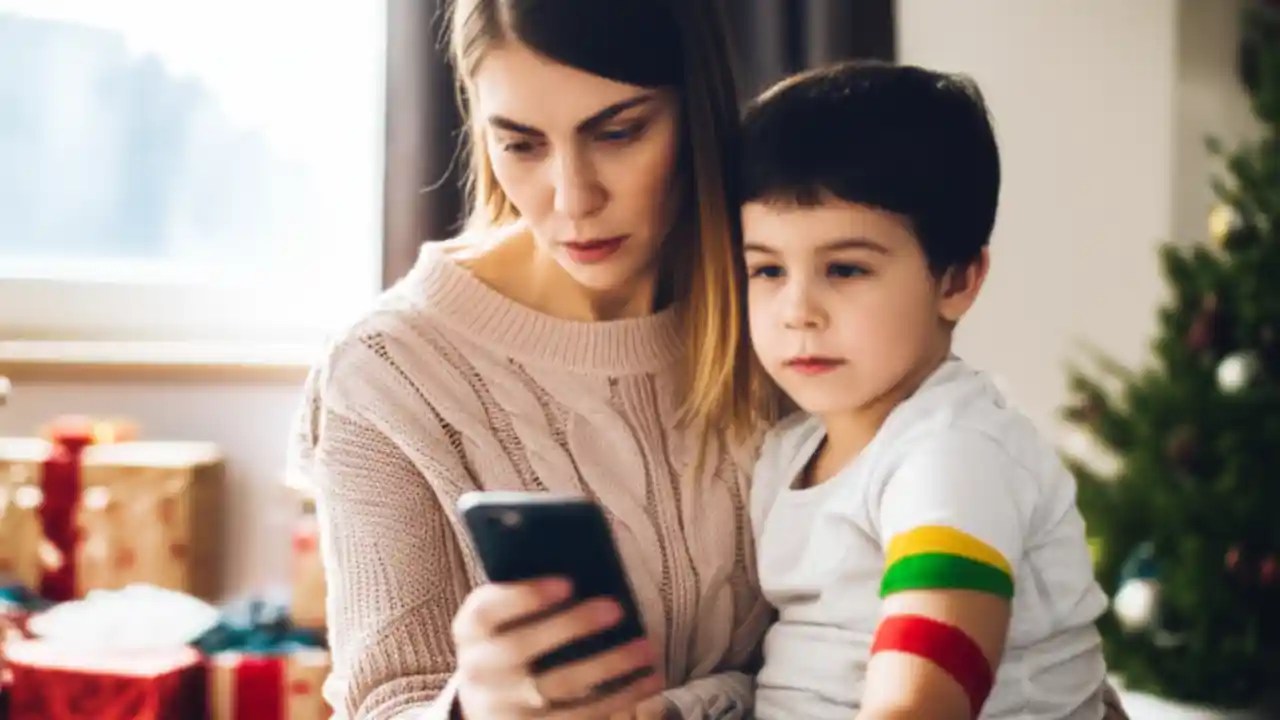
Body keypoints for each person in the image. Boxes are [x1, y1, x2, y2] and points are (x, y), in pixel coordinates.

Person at [288, 0, 771, 718]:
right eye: (520, 144)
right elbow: (384, 703)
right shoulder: (387, 369)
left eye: (619, 132)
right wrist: (469, 710)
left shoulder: (786, 310)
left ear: (696, 109)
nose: (574, 199)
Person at [739, 61, 1113, 719]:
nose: (798, 310)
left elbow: (930, 681)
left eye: (845, 268)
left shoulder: (953, 448)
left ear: (958, 281)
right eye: (767, 268)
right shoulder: (786, 451)